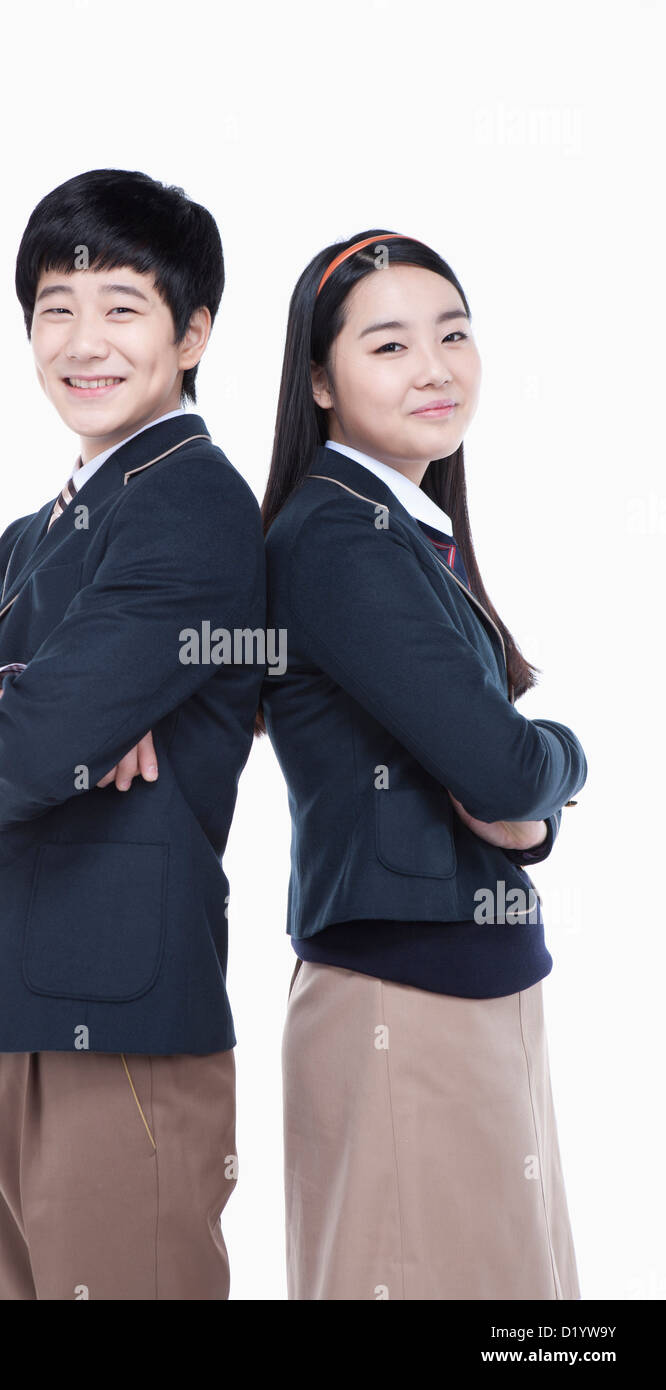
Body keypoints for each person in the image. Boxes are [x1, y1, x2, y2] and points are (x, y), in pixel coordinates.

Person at [0, 168, 265, 1300]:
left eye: (121, 309)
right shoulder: (33, 530)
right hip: (2, 1019)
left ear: (190, 334)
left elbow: (36, 755)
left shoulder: (190, 500)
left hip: (121, 1040)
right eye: (55, 310)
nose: (82, 343)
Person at [259, 229, 588, 1300]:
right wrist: (566, 759)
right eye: (388, 345)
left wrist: (534, 810)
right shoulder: (339, 539)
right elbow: (499, 773)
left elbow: (504, 793)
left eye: (451, 333)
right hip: (406, 1001)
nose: (435, 367)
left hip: (462, 986)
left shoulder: (401, 528)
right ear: (318, 378)